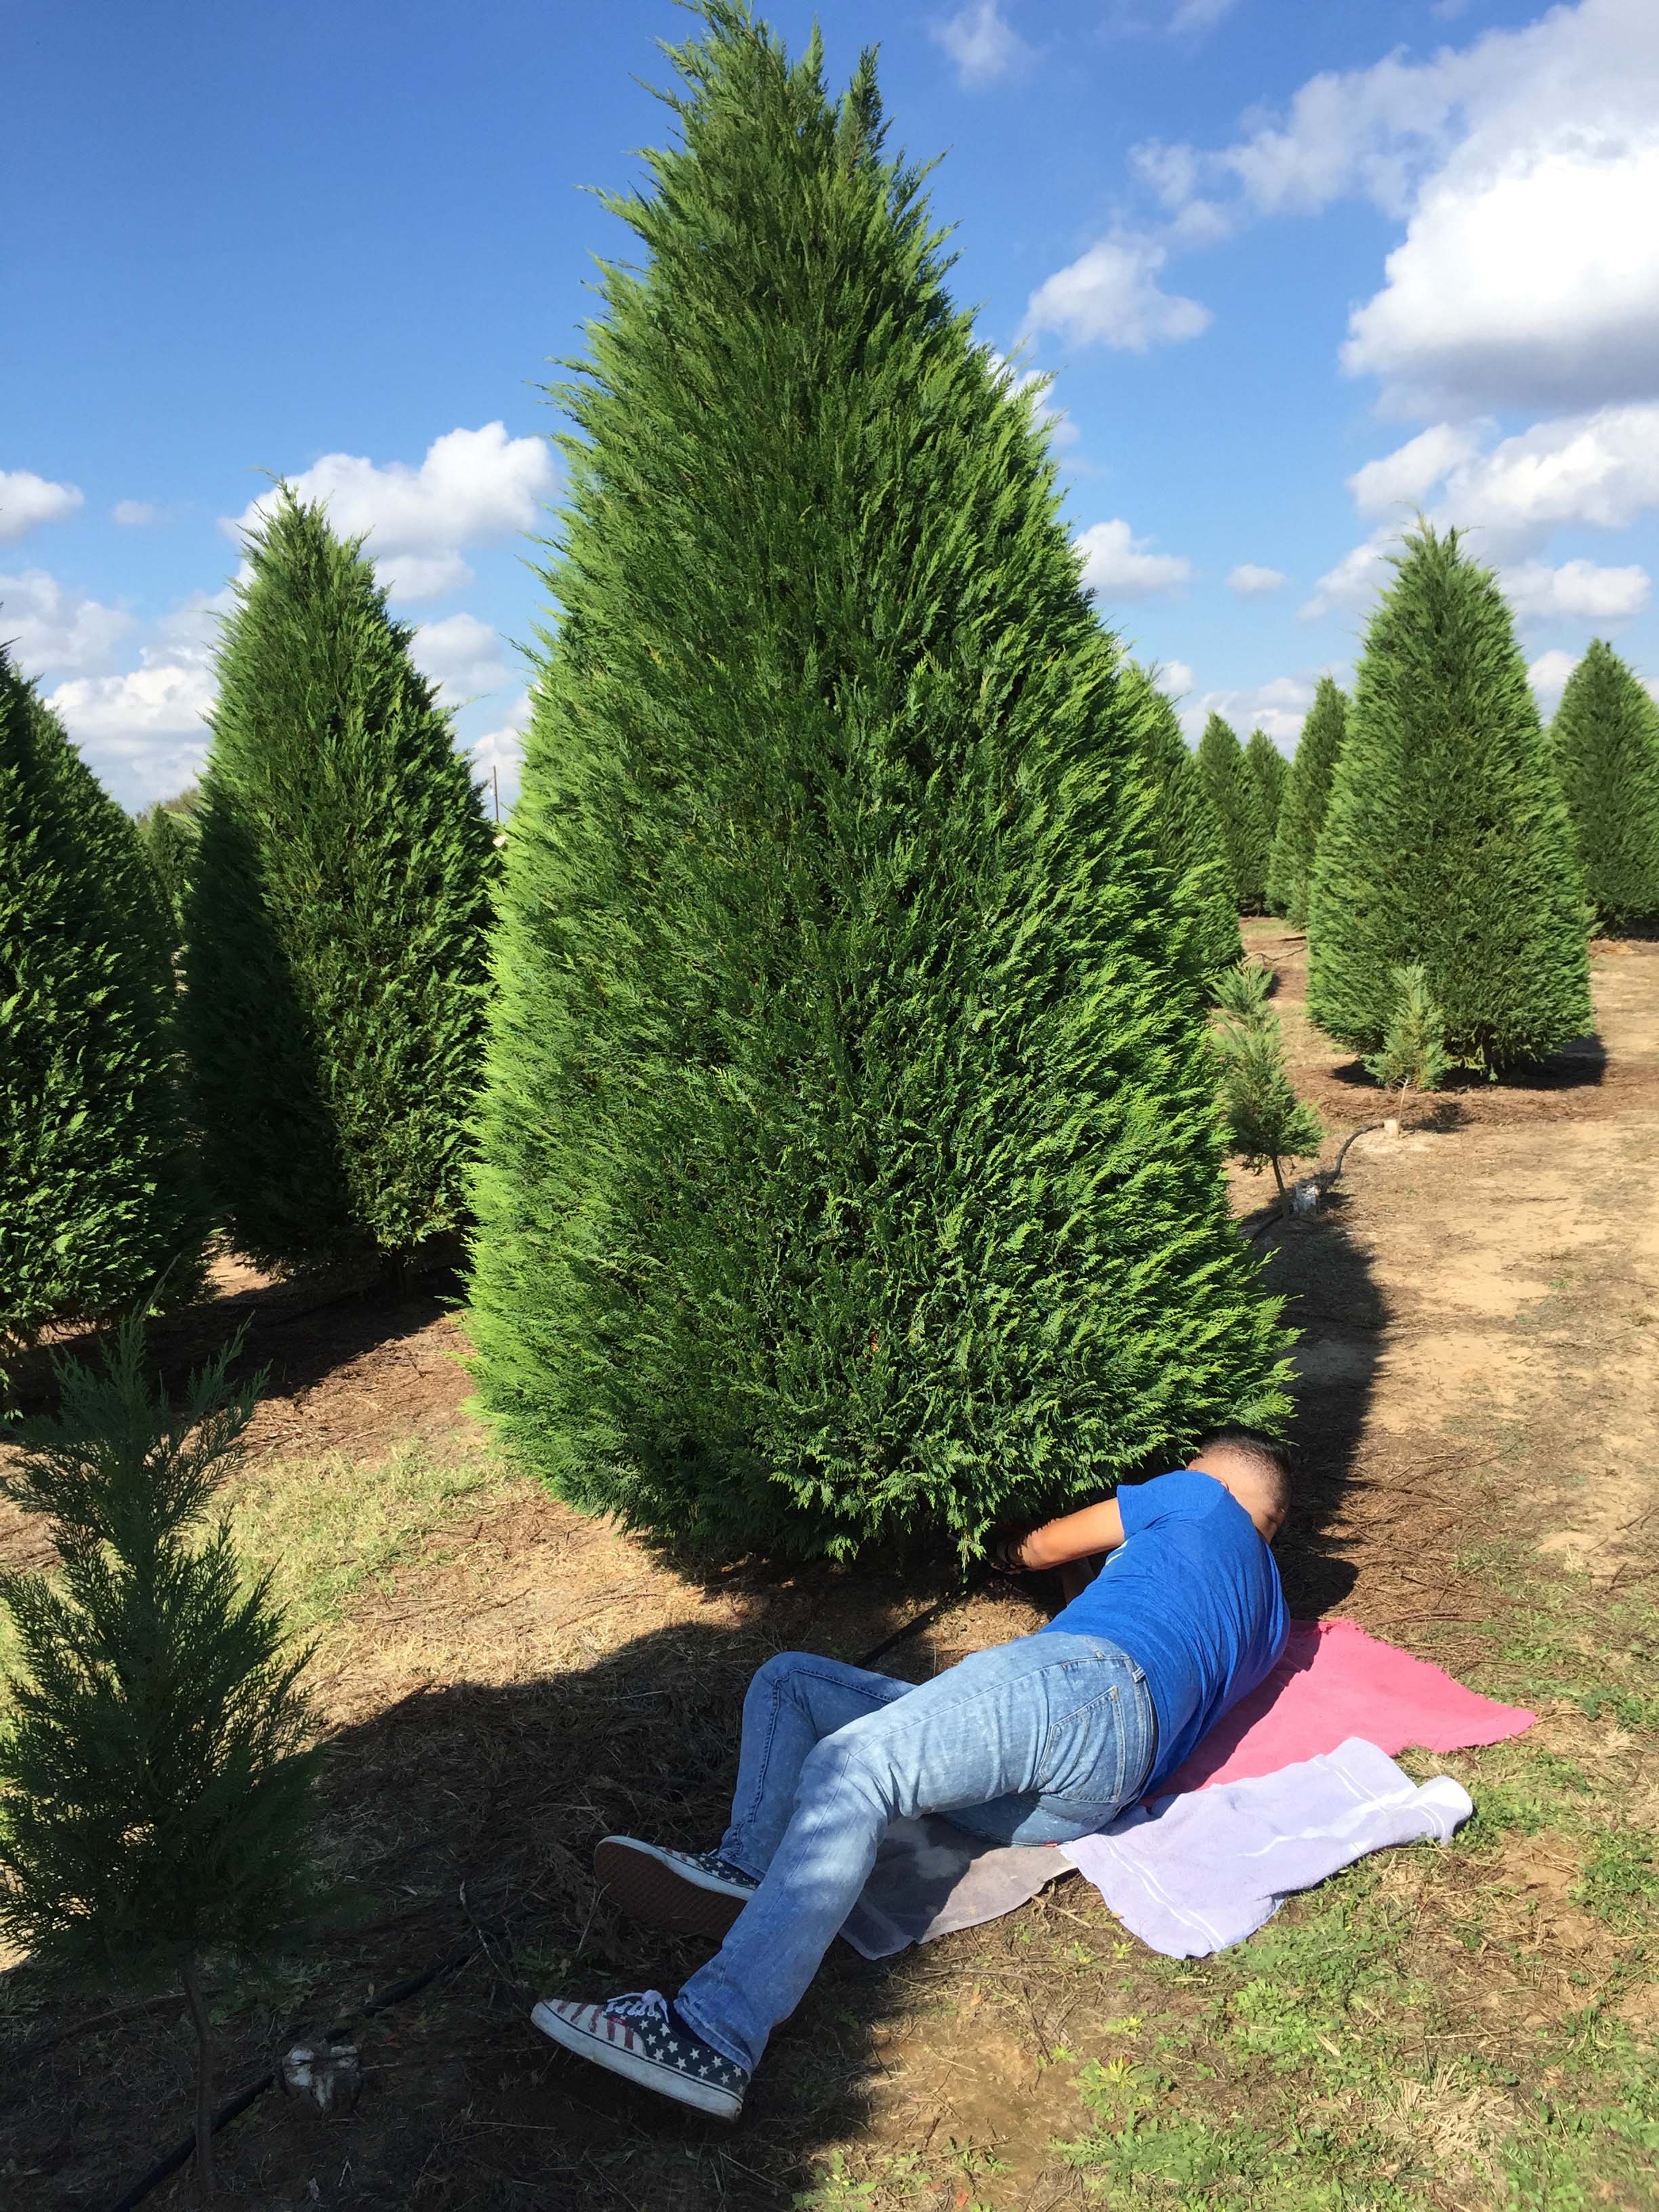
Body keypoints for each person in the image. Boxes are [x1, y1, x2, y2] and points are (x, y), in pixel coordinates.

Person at [530, 1427, 1293, 2119]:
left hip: (1087, 1683)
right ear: (1275, 1523)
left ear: (1216, 1476)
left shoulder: (1196, 1495)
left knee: (854, 1768)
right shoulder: (1270, 1618)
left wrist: (994, 1545)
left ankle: (714, 2033)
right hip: (1092, 1794)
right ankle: (749, 1870)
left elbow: (1047, 1547)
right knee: (793, 1682)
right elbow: (1130, 1617)